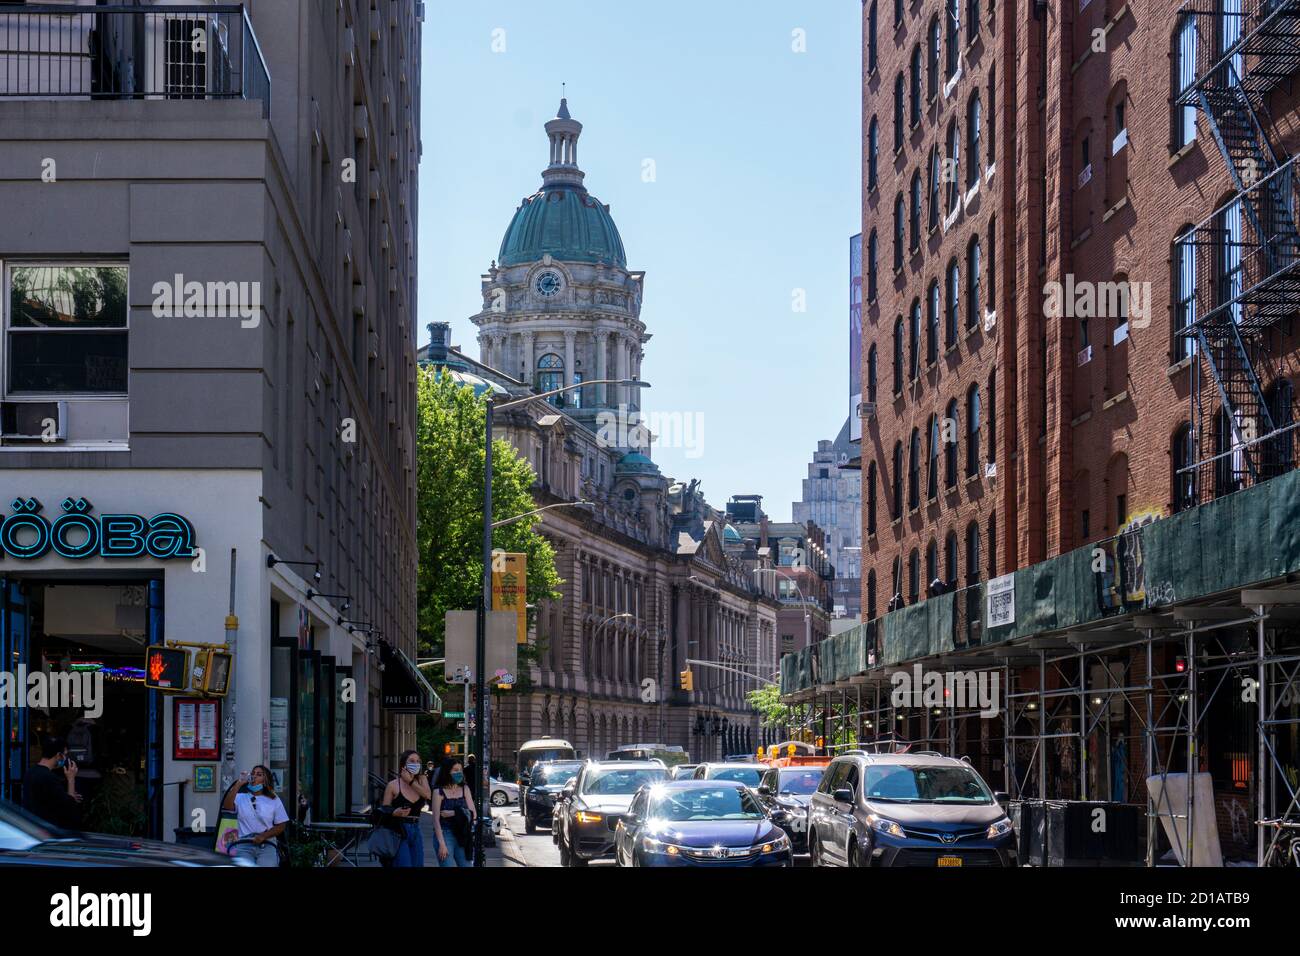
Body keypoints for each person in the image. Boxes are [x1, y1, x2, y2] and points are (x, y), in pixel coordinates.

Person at [222, 765, 289, 866]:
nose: (254, 776)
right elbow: (227, 806)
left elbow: (281, 826)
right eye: (253, 773)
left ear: (265, 780)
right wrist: (238, 785)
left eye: (259, 774)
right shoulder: (240, 797)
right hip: (244, 844)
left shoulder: (273, 799)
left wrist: (263, 836)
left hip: (267, 843)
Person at [381, 749, 431, 867]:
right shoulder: (393, 785)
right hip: (399, 829)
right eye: (412, 761)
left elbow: (427, 795)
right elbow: (384, 809)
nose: (415, 764)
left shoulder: (422, 779)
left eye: (418, 761)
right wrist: (394, 812)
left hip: (416, 828)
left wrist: (410, 781)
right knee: (404, 864)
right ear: (404, 764)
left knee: (418, 863)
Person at [21, 735, 82, 829]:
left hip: (33, 828)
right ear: (58, 755)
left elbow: (46, 799)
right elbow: (69, 809)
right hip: (47, 830)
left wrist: (67, 796)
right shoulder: (49, 777)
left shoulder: (30, 772)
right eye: (65, 755)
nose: (65, 758)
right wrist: (71, 779)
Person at [431, 759, 476, 867]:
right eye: (455, 770)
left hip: (462, 834)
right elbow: (436, 820)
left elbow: (473, 814)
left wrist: (453, 813)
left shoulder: (465, 789)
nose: (459, 773)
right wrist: (442, 844)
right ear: (447, 772)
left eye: (460, 770)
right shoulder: (438, 792)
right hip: (445, 834)